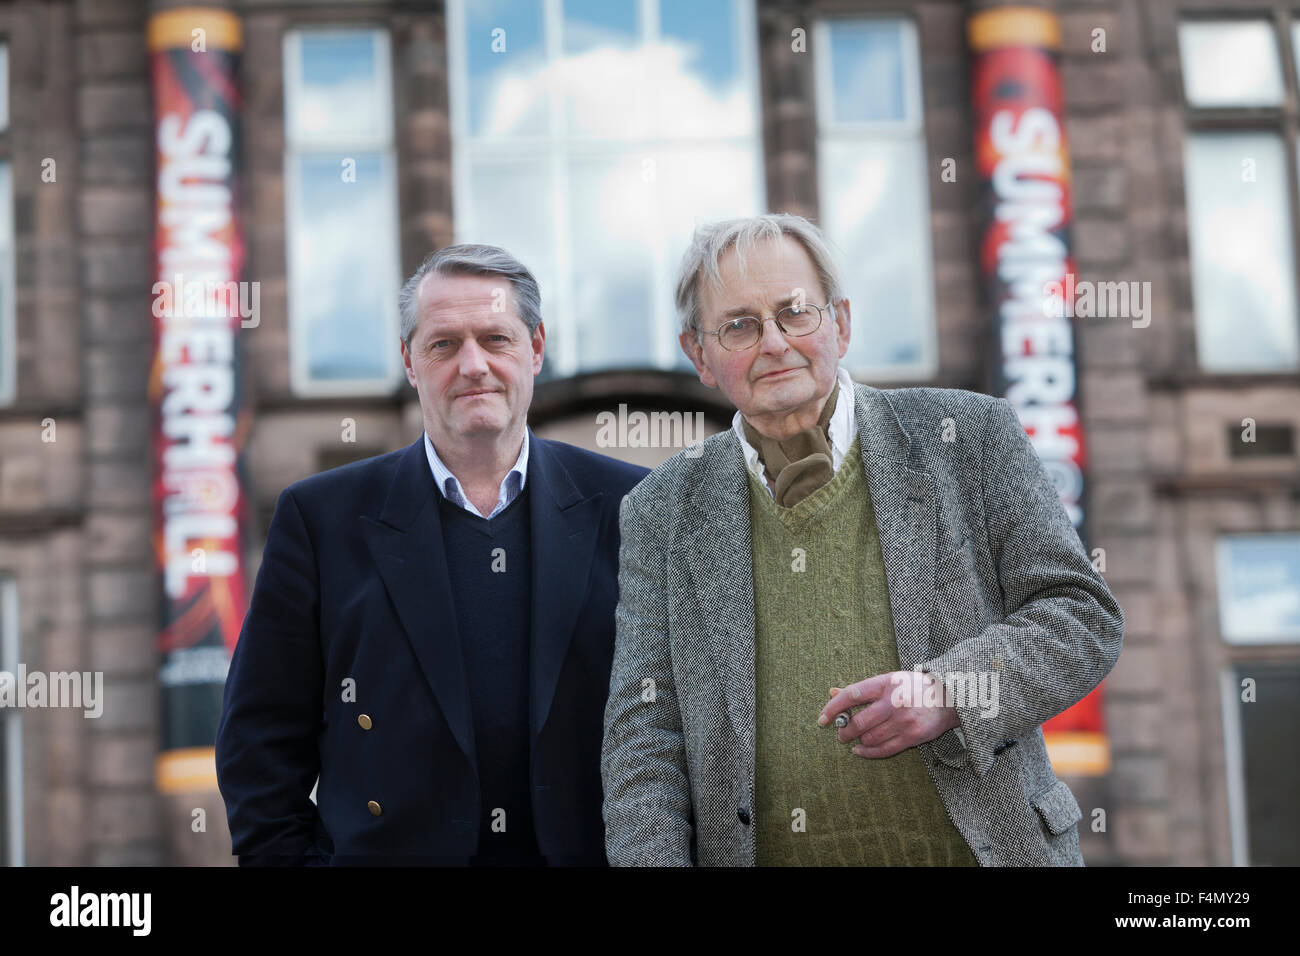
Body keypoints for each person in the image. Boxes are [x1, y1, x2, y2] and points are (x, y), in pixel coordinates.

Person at [601, 214, 1123, 866]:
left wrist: (948, 692)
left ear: (841, 323)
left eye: (795, 313)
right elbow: (644, 736)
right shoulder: (661, 510)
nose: (773, 343)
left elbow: (1082, 617)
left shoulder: (969, 435)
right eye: (739, 325)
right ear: (699, 354)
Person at [217, 243, 648, 865]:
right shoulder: (321, 519)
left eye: (495, 339)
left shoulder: (631, 505)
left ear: (536, 348)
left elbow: (682, 730)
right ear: (409, 362)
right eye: (443, 345)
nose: (473, 365)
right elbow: (257, 747)